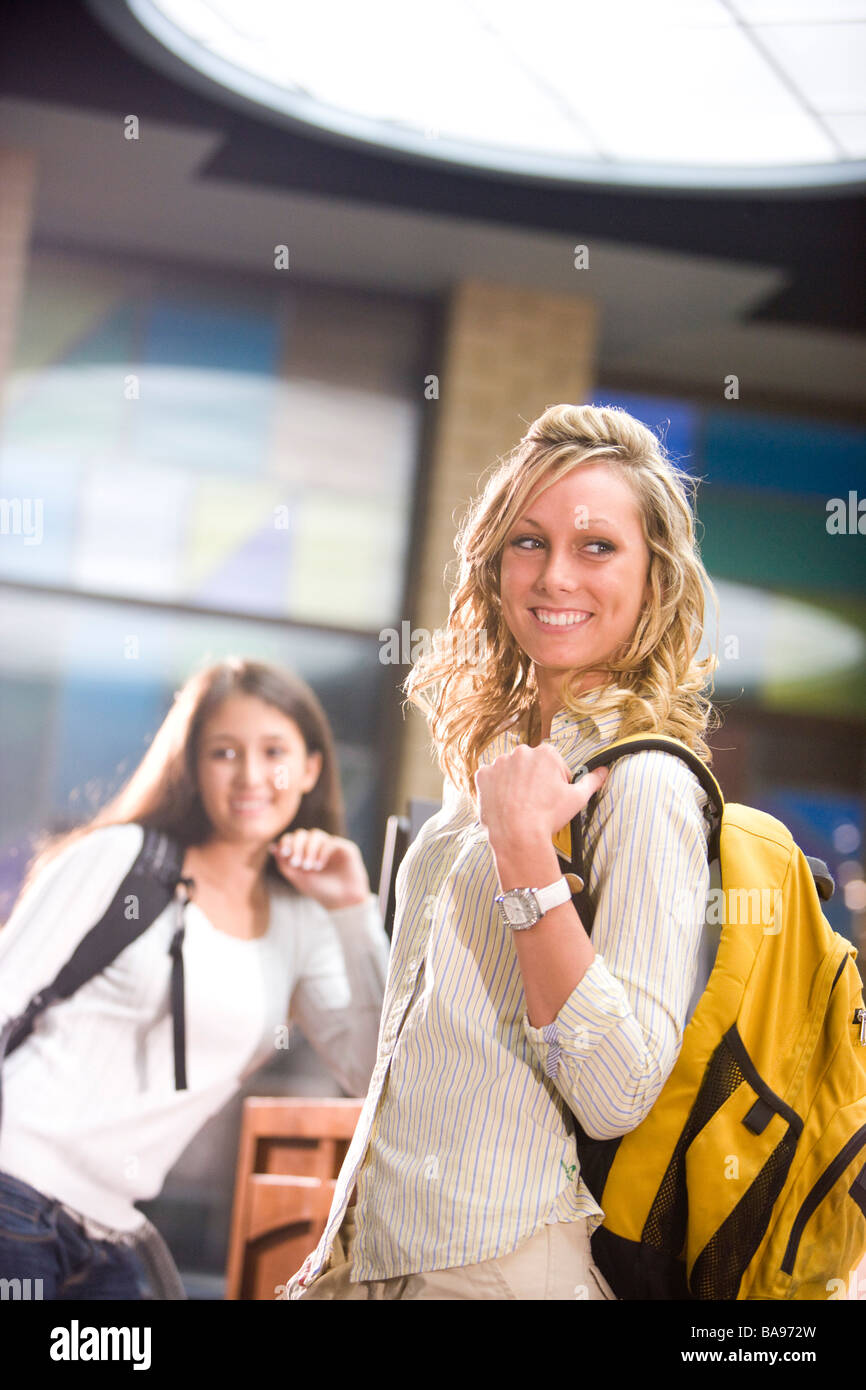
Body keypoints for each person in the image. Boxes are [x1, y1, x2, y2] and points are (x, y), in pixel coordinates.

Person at [286, 402, 718, 1301]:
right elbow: (417, 1047)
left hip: (496, 1267)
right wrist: (349, 912)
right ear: (492, 564)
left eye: (597, 547)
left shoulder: (643, 784)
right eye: (528, 541)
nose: (556, 574)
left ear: (654, 577)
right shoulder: (499, 767)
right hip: (369, 1255)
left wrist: (527, 861)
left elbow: (616, 1090)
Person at [0, 658, 389, 1299]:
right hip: (15, 1190)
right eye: (224, 753)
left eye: (274, 752)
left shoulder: (305, 920)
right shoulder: (121, 857)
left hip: (109, 1232)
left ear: (312, 768)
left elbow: (371, 1069)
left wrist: (352, 908)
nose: (251, 777)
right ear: (193, 765)